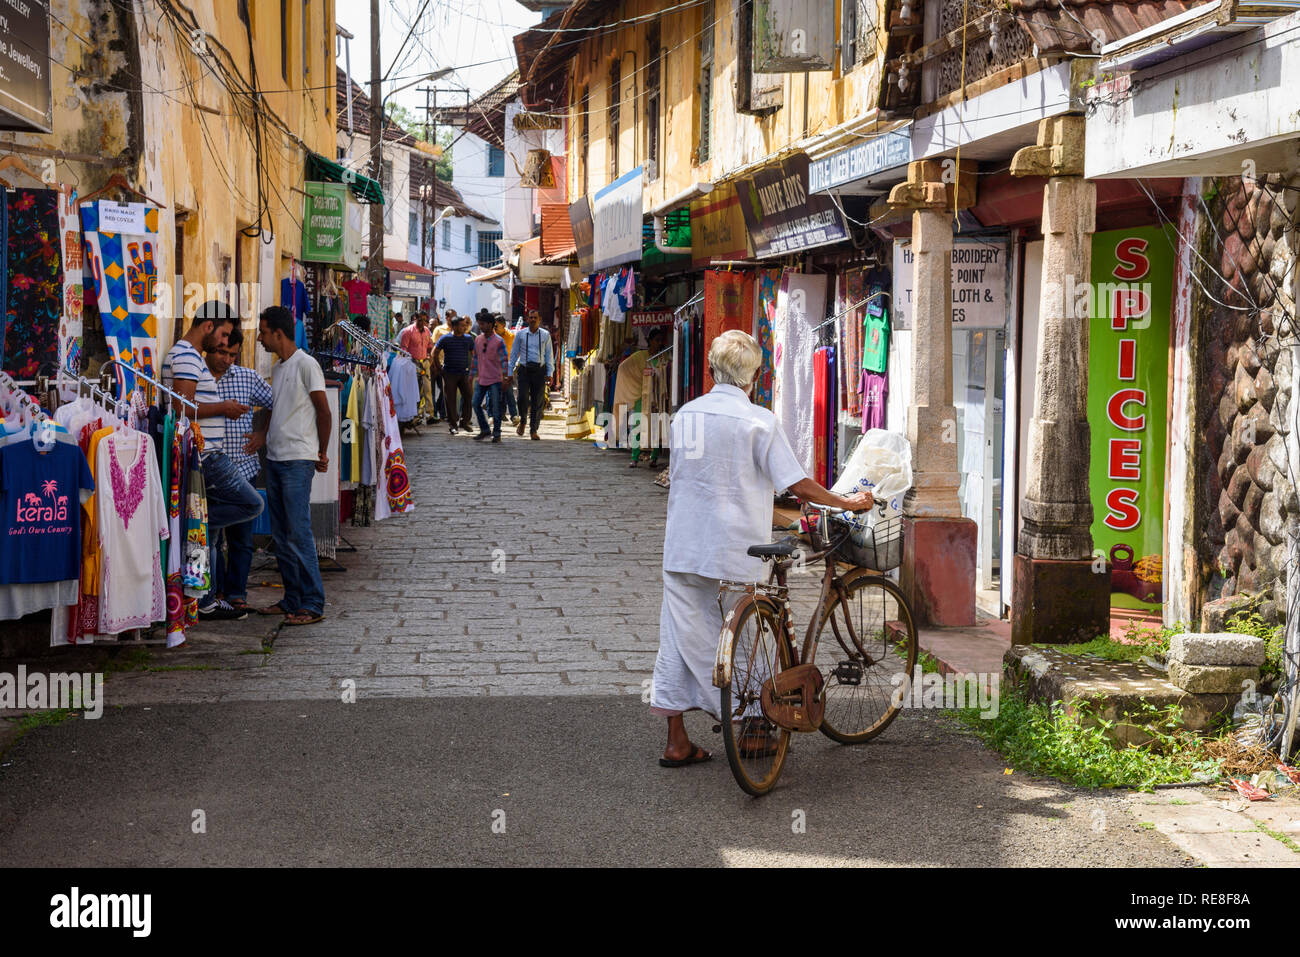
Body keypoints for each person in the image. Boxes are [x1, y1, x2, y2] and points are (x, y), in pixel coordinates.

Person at [650, 330, 874, 768]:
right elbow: (797, 483)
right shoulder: (759, 421)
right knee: (747, 637)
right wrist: (847, 501)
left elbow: (688, 478)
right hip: (737, 551)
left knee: (677, 638)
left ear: (712, 369)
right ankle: (751, 728)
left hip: (684, 546)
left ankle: (677, 740)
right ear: (755, 376)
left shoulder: (686, 416)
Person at [162, 300, 263, 622]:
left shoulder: (186, 356)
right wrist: (223, 408)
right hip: (207, 456)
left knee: (204, 526)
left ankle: (202, 599)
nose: (223, 343)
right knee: (251, 505)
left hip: (204, 455)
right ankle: (191, 530)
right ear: (208, 327)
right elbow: (182, 407)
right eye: (223, 335)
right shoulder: (187, 357)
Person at [247, 306, 330, 627]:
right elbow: (273, 405)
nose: (260, 338)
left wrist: (321, 453)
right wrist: (262, 433)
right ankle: (292, 599)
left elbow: (324, 411)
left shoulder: (307, 365)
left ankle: (312, 602)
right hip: (277, 458)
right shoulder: (280, 369)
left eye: (263, 332)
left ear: (278, 334)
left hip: (298, 459)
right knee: (281, 535)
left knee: (298, 532)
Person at [205, 327, 273, 614]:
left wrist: (263, 435)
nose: (227, 359)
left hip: (242, 468)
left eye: (233, 354)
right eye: (222, 353)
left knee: (242, 540)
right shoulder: (198, 378)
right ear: (210, 348)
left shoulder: (247, 377)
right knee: (212, 538)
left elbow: (275, 402)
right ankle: (215, 591)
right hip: (210, 472)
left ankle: (236, 593)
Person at [509, 308, 554, 440]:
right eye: (531, 317)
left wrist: (550, 373)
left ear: (539, 320)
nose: (533, 320)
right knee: (522, 398)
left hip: (539, 371)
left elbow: (549, 355)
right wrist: (509, 372)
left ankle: (533, 430)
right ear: (527, 319)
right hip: (524, 370)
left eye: (535, 318)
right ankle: (523, 421)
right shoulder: (521, 334)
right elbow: (513, 354)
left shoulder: (545, 335)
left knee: (538, 401)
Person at [470, 311, 510, 443]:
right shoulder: (478, 339)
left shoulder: (499, 341)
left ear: (490, 324)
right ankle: (485, 429)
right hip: (481, 378)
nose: (480, 326)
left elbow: (504, 360)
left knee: (496, 407)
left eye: (483, 324)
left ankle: (497, 433)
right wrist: (471, 375)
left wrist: (505, 377)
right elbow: (475, 358)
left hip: (495, 379)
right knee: (475, 404)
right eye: (480, 323)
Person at [432, 315, 474, 435]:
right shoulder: (445, 338)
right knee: (450, 400)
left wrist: (474, 369)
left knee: (468, 396)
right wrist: (439, 368)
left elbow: (474, 353)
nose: (464, 327)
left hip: (464, 372)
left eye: (465, 325)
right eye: (462, 325)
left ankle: (465, 422)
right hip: (449, 373)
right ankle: (453, 425)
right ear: (454, 326)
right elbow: (434, 353)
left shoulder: (468, 339)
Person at [398, 311, 435, 425]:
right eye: (420, 320)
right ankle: (415, 416)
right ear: (415, 318)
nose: (422, 323)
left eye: (424, 320)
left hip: (424, 363)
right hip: (412, 364)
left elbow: (430, 346)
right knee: (415, 391)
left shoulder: (427, 331)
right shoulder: (408, 331)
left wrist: (430, 356)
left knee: (427, 389)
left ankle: (429, 415)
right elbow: (403, 349)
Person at [494, 316, 520, 427]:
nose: (494, 328)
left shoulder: (511, 337)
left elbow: (517, 351)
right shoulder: (490, 337)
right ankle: (496, 415)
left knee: (509, 392)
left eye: (496, 326)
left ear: (503, 325)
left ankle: (514, 415)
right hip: (493, 368)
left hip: (507, 368)